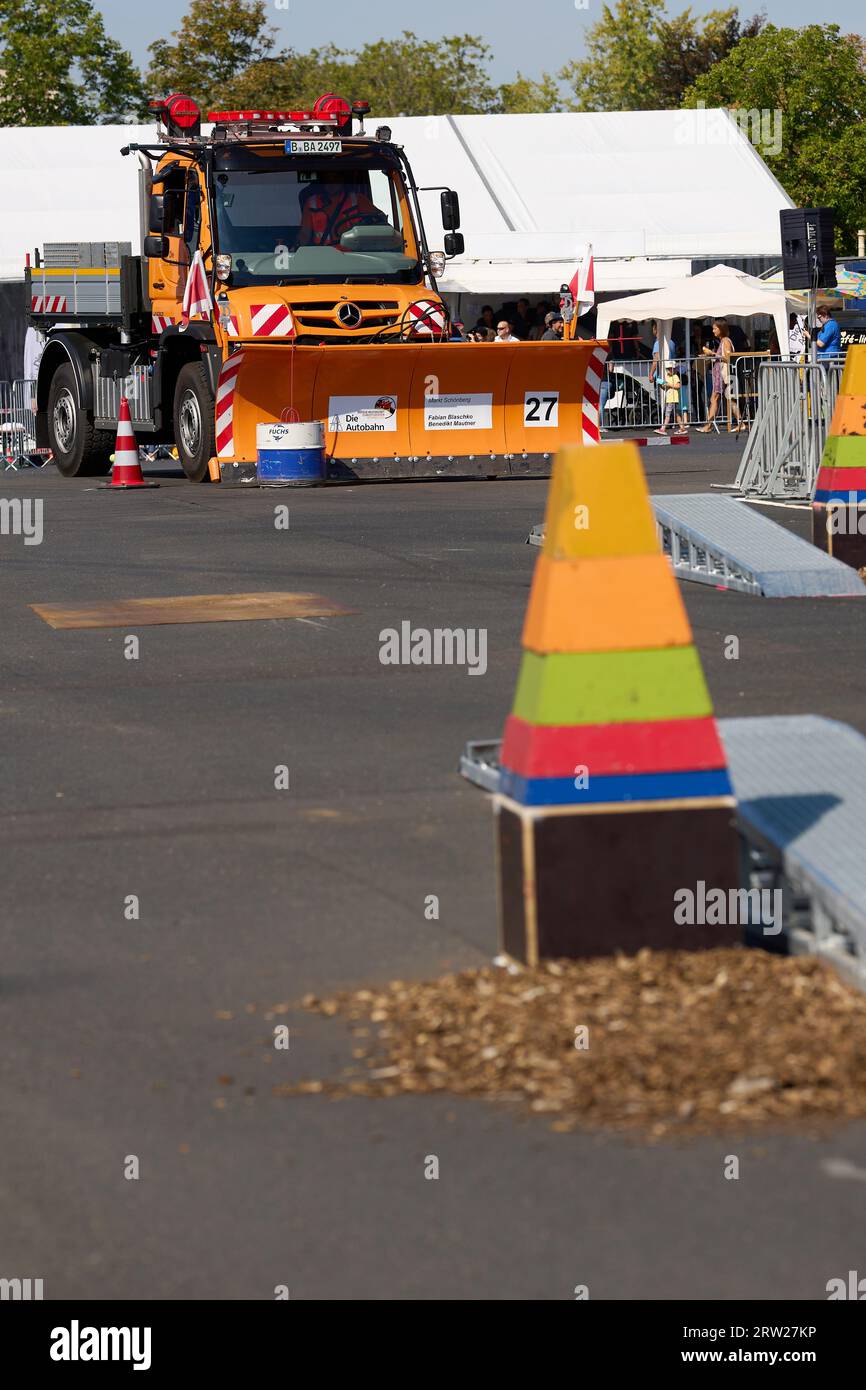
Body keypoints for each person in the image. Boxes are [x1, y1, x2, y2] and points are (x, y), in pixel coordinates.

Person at [298, 174, 383, 247]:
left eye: (335, 178)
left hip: (355, 253)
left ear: (342, 181)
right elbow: (305, 234)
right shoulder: (311, 203)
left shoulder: (358, 200)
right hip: (323, 254)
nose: (331, 183)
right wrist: (297, 250)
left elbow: (380, 221)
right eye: (328, 179)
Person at [697, 318, 744, 432]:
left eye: (715, 328)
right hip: (722, 375)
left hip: (724, 374)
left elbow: (728, 357)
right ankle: (740, 423)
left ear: (721, 329)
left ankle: (708, 426)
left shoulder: (726, 341)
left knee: (715, 398)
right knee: (728, 399)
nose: (713, 331)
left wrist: (711, 353)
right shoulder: (723, 341)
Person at [656, 363, 683, 434]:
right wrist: (661, 385)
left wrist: (668, 384)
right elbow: (665, 388)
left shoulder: (675, 376)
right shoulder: (667, 377)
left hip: (673, 398)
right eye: (668, 369)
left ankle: (663, 428)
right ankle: (682, 428)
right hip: (670, 398)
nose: (668, 370)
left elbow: (678, 386)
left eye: (670, 369)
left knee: (667, 414)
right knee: (676, 414)